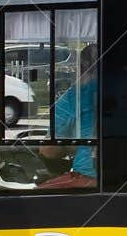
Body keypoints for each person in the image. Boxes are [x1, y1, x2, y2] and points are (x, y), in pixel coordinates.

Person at [39, 46, 97, 190]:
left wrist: (71, 146)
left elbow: (49, 151)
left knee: (39, 193)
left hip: (89, 176)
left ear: (80, 68)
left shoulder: (73, 97)